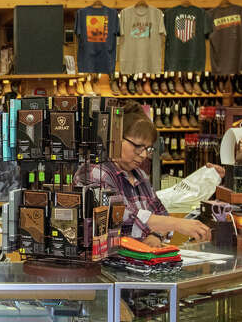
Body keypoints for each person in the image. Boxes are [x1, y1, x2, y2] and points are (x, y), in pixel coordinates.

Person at [76, 102, 214, 245]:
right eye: (137, 146)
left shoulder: (139, 175)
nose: (143, 155)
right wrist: (175, 223)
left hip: (138, 263)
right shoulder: (96, 173)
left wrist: (156, 235)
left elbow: (160, 212)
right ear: (116, 139)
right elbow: (117, 219)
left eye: (147, 149)